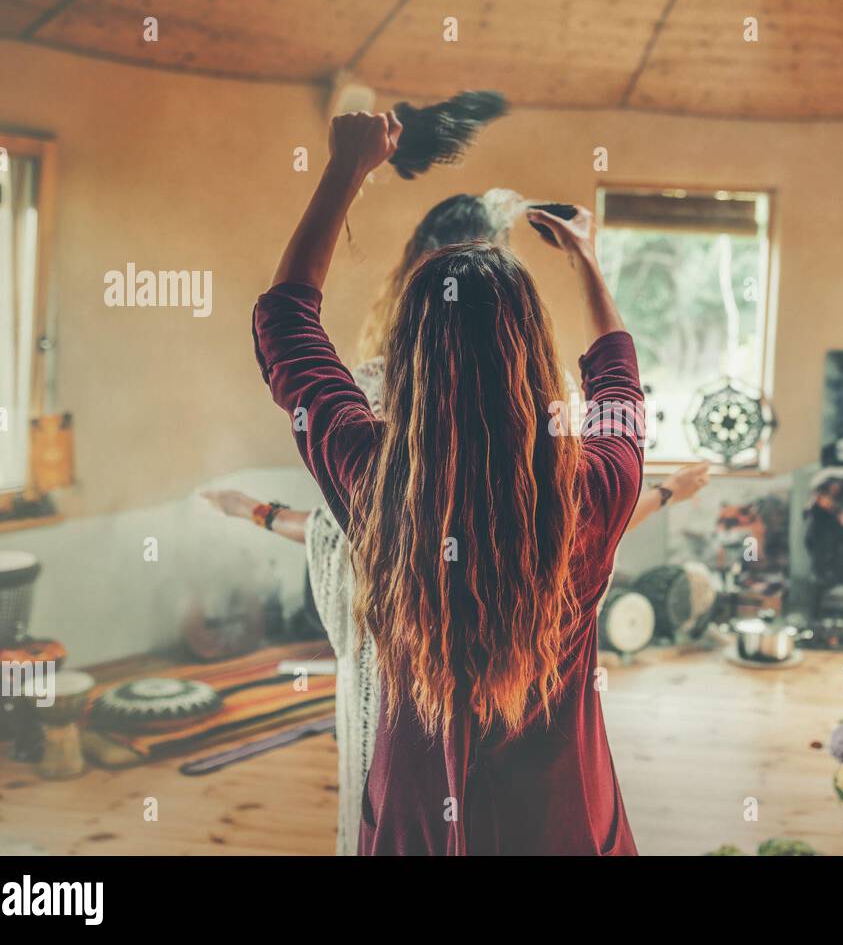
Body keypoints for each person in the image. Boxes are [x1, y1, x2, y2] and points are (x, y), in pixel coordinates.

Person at [205, 186, 708, 853]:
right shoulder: (597, 486)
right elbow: (618, 378)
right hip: (563, 822)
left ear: (409, 354)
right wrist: (586, 257)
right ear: (536, 353)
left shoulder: (373, 476)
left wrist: (344, 170)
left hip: (417, 823)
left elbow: (286, 326)